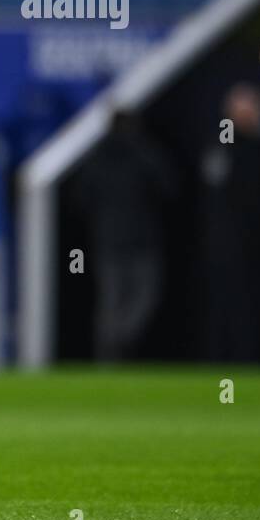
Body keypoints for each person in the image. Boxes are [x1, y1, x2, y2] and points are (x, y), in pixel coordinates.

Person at [69, 107, 178, 360]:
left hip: (131, 240)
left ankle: (117, 342)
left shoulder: (134, 154)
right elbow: (80, 197)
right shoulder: (111, 155)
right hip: (121, 241)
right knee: (118, 301)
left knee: (138, 300)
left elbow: (169, 186)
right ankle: (110, 353)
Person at [198, 83, 260, 362]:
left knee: (256, 307)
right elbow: (218, 177)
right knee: (226, 307)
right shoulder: (224, 143)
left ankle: (254, 358)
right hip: (227, 246)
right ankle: (222, 360)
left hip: (259, 244)